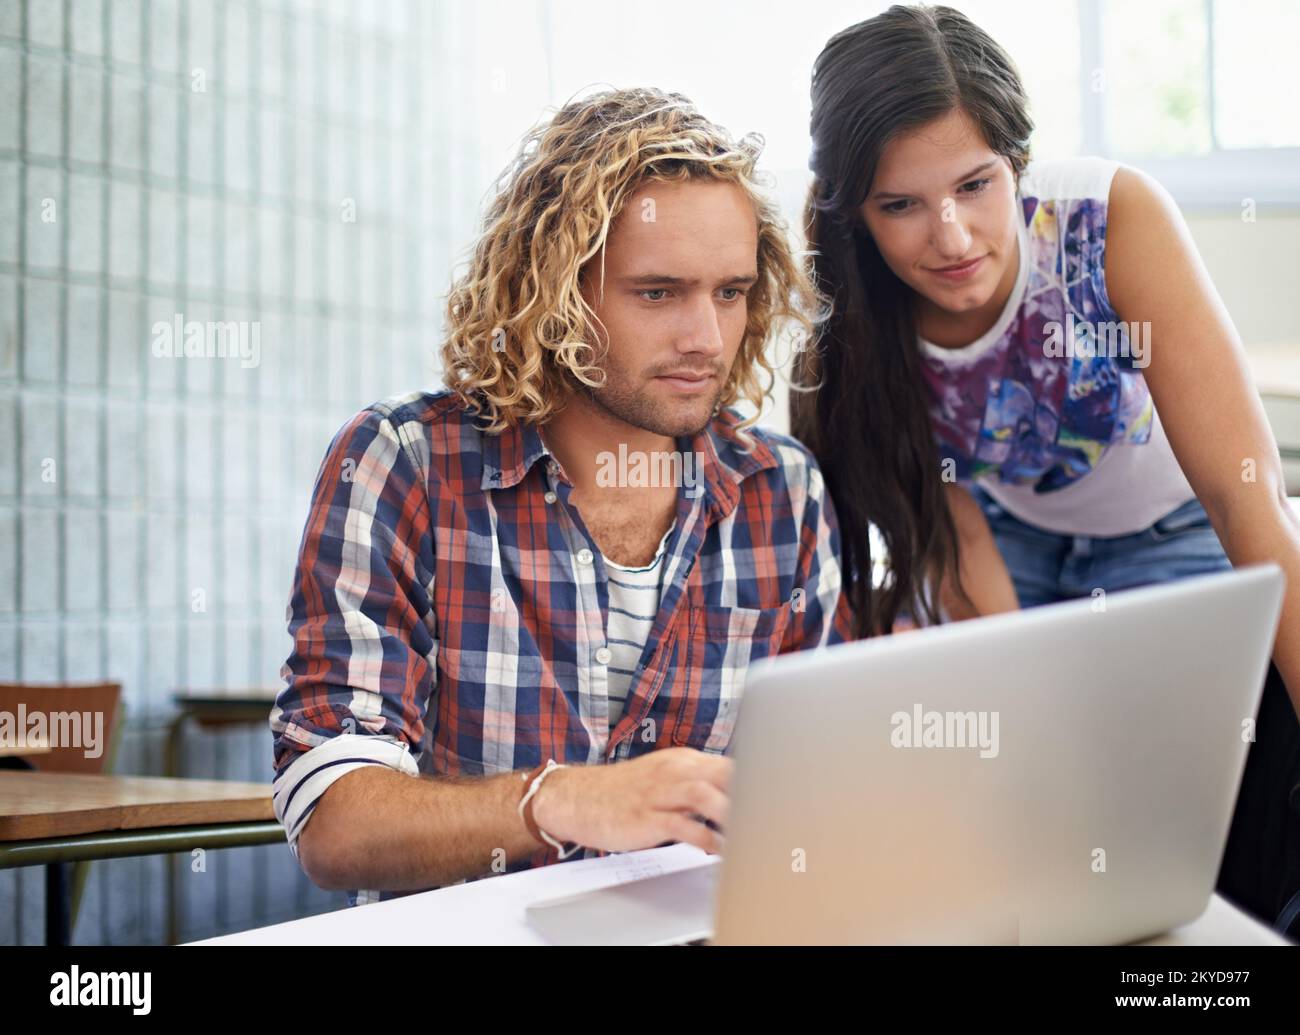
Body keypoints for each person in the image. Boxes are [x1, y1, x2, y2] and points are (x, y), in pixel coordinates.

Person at [270, 87, 852, 905]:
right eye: (658, 293)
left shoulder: (780, 493)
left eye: (730, 292)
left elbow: (825, 794)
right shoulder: (405, 465)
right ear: (551, 292)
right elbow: (334, 823)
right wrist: (564, 801)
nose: (707, 339)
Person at [791, 2, 1300, 931]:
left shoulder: (1106, 219)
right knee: (1009, 776)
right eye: (900, 205)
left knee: (1170, 804)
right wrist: (1022, 708)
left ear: (1016, 161)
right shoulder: (857, 315)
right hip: (1016, 536)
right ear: (855, 212)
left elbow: (1245, 496)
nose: (949, 239)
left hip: (1179, 528)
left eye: (975, 185)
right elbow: (947, 523)